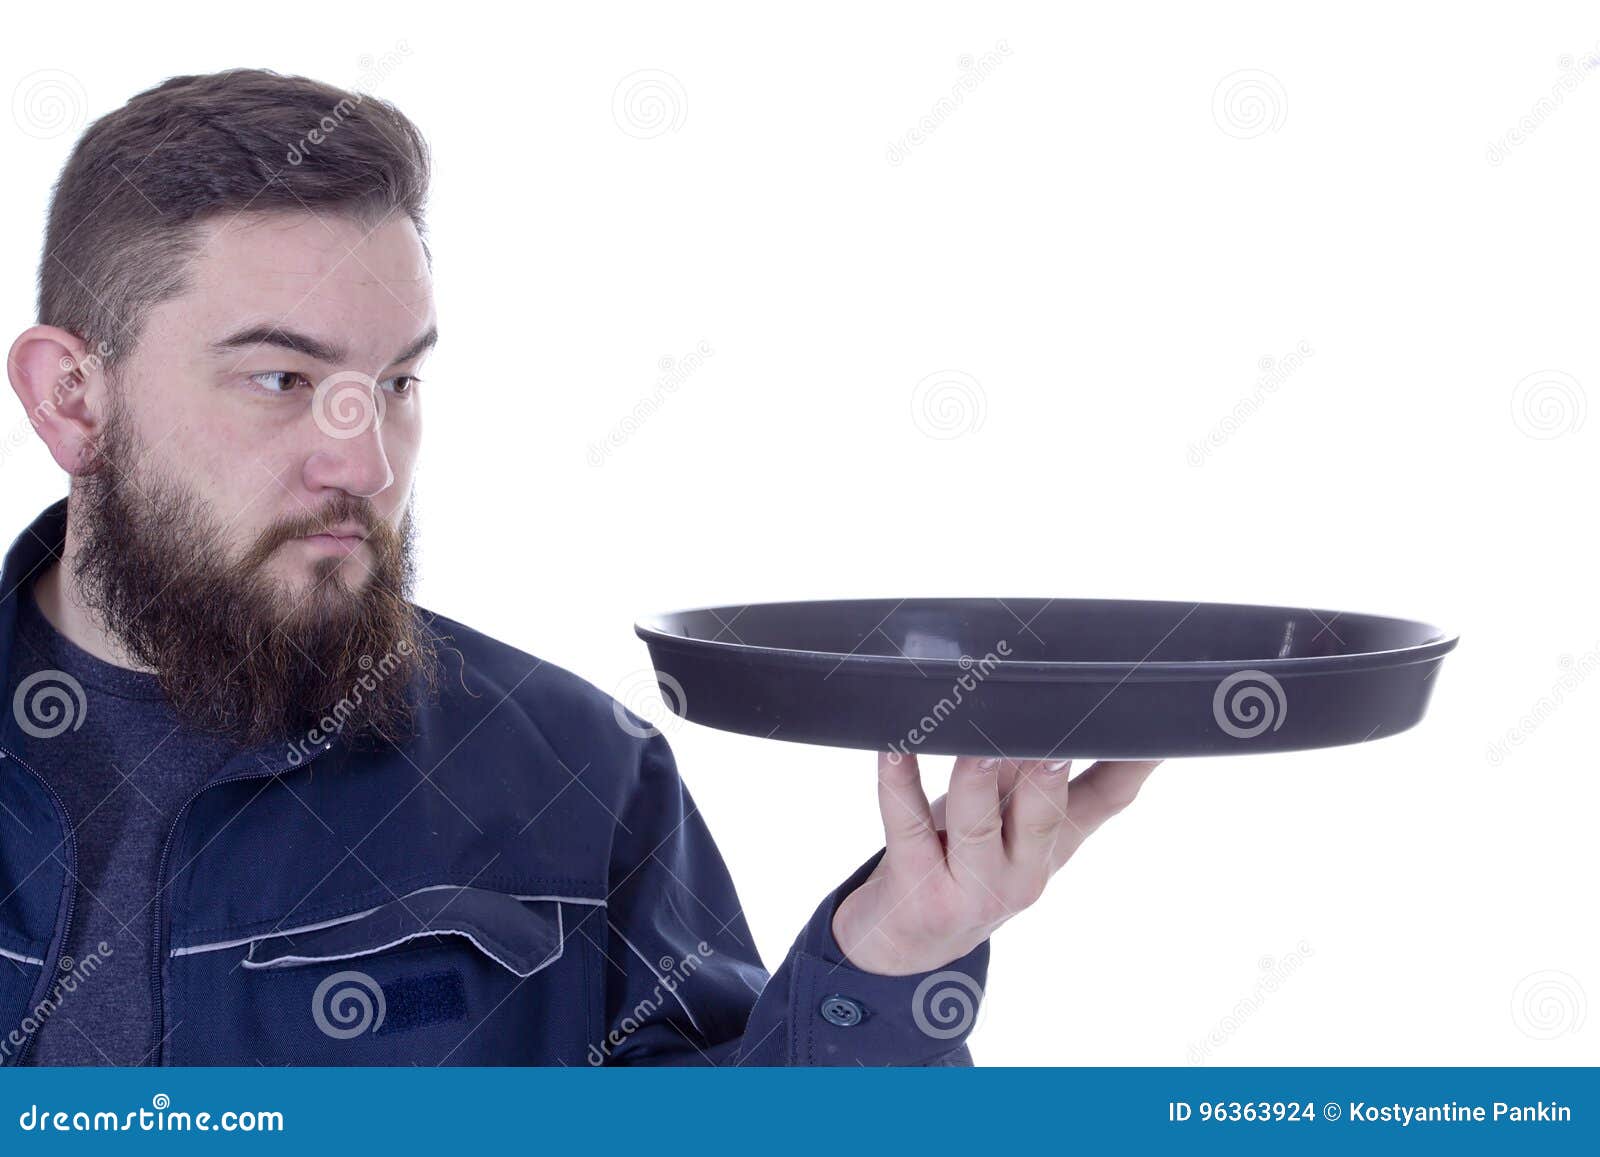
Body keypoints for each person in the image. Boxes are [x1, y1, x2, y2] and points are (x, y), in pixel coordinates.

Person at [0, 69, 1159, 1066]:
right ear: (71, 397)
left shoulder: (575, 775)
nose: (362, 457)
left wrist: (891, 961)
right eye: (282, 381)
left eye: (397, 383)